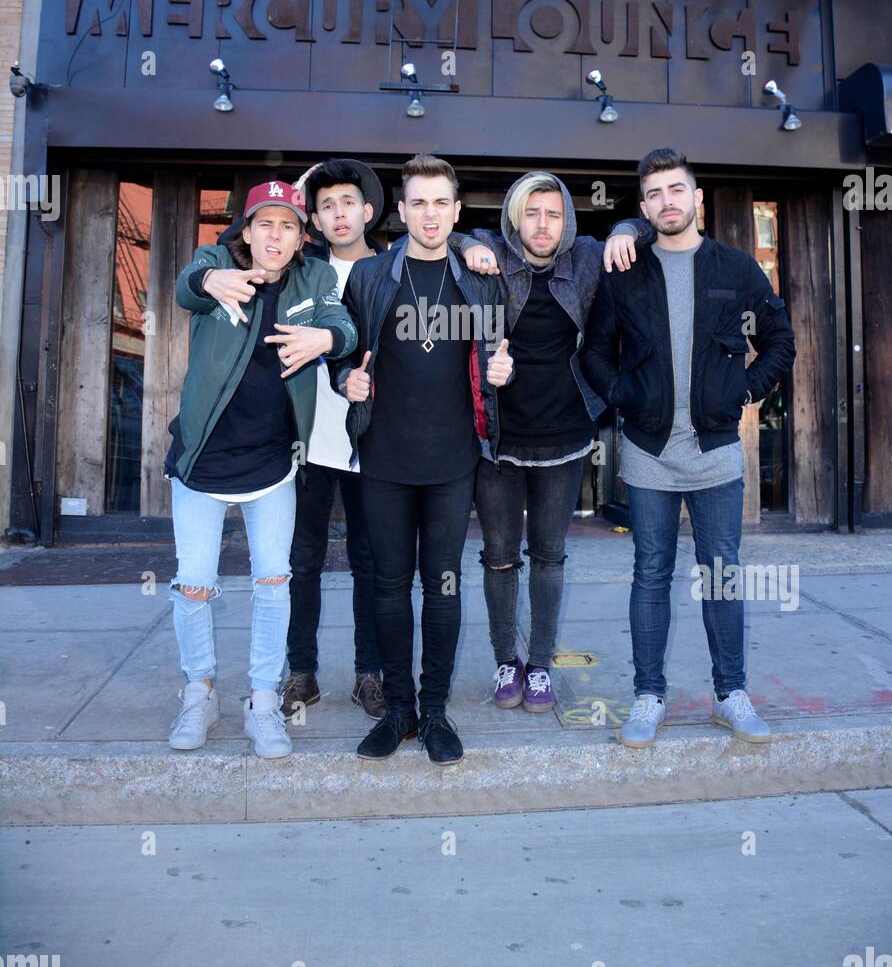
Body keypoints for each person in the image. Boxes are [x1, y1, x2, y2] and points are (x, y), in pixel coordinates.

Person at [581, 148, 796, 747]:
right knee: (650, 575)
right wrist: (625, 396)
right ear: (644, 206)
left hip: (716, 453)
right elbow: (593, 352)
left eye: (676, 190)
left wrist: (746, 390)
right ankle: (648, 696)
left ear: (696, 198)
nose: (666, 202)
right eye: (653, 195)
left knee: (722, 574)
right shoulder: (625, 273)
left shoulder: (737, 267)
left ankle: (730, 693)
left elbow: (780, 337)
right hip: (649, 452)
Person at [164, 180, 357, 758]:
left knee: (274, 585)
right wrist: (207, 280)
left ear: (302, 238)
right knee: (194, 586)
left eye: (288, 225)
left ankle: (264, 700)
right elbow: (185, 288)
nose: (276, 235)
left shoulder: (315, 277)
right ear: (246, 231)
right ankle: (198, 692)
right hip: (203, 460)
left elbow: (344, 327)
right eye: (264, 224)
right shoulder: (216, 262)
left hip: (274, 463)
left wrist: (326, 337)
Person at [331, 154, 512, 765]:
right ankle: (399, 709)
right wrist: (343, 383)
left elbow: (495, 356)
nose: (430, 214)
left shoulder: (480, 278)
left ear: (456, 213)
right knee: (386, 587)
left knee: (443, 587)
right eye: (419, 203)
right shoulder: (370, 278)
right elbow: (345, 354)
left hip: (453, 462)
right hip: (383, 458)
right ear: (401, 211)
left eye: (442, 203)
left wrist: (500, 372)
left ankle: (434, 711)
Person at [453, 174, 652, 712]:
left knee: (549, 555)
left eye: (553, 213)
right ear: (515, 217)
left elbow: (647, 228)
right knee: (498, 557)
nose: (542, 224)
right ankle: (504, 662)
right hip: (497, 437)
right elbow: (448, 234)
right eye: (531, 213)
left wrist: (627, 228)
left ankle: (539, 664)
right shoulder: (492, 252)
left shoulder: (586, 258)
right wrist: (469, 244)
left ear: (567, 219)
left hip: (565, 435)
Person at [281, 158, 387, 721]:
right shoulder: (302, 270)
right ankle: (302, 672)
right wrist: (297, 191)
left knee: (372, 563)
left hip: (370, 442)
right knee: (303, 562)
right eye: (325, 205)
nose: (338, 213)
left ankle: (369, 674)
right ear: (313, 219)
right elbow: (236, 236)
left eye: (348, 202)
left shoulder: (394, 268)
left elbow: (445, 232)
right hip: (306, 440)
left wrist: (469, 244)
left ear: (368, 211)